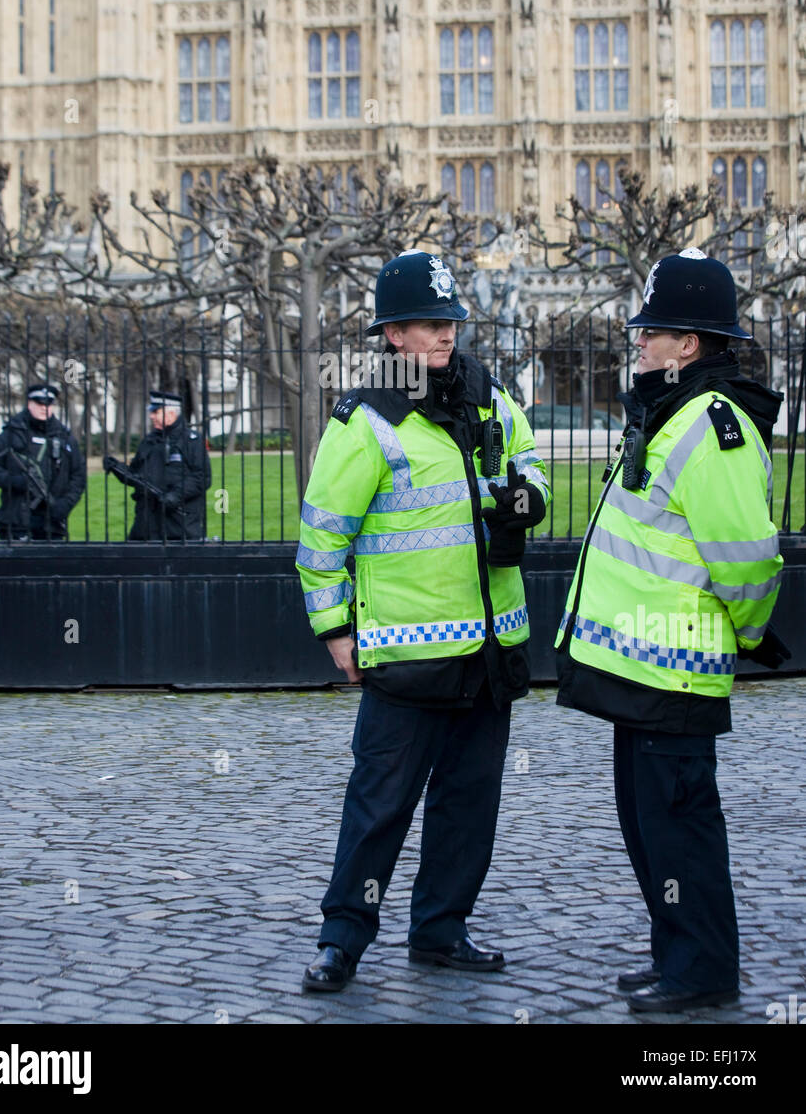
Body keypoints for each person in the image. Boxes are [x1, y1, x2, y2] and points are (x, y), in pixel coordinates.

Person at [296, 250, 549, 992]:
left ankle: (441, 930)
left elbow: (532, 465)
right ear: (394, 335)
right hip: (405, 651)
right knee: (379, 808)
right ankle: (342, 939)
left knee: (468, 807)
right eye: (431, 324)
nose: (446, 336)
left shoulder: (487, 395)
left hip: (491, 645)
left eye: (451, 322)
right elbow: (321, 537)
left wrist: (529, 498)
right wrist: (335, 629)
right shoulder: (366, 417)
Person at [556, 249, 787, 1013]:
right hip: (640, 670)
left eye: (651, 330)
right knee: (651, 829)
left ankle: (703, 970)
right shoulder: (676, 410)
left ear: (687, 344)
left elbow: (748, 560)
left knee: (680, 831)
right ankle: (674, 952)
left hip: (674, 672)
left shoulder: (712, 425)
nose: (640, 342)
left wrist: (748, 632)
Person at [104, 390, 211, 540]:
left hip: (178, 525)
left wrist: (175, 495)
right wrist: (117, 468)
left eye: (156, 412)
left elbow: (201, 478)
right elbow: (135, 476)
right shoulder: (149, 441)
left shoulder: (191, 440)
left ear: (171, 413)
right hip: (146, 524)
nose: (151, 416)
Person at [0, 382, 85, 540]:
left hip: (52, 523)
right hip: (16, 519)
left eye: (49, 404)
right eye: (39, 403)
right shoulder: (12, 432)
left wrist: (65, 504)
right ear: (29, 403)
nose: (44, 408)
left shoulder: (65, 437)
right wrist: (14, 481)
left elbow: (78, 475)